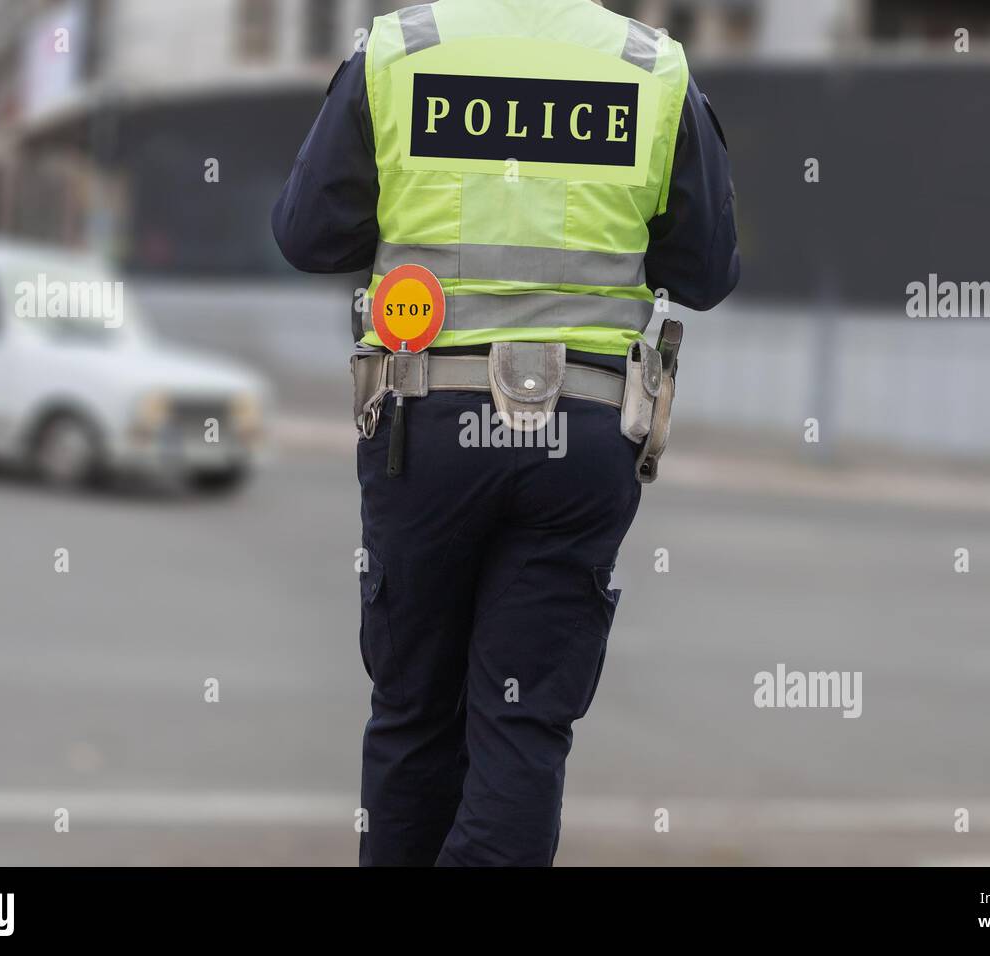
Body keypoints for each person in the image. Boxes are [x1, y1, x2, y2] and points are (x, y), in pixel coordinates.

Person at [272, 0, 739, 866]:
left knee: (413, 712)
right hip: (583, 432)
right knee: (523, 724)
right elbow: (706, 273)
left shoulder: (398, 52)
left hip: (426, 419)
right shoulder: (651, 67)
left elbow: (309, 236)